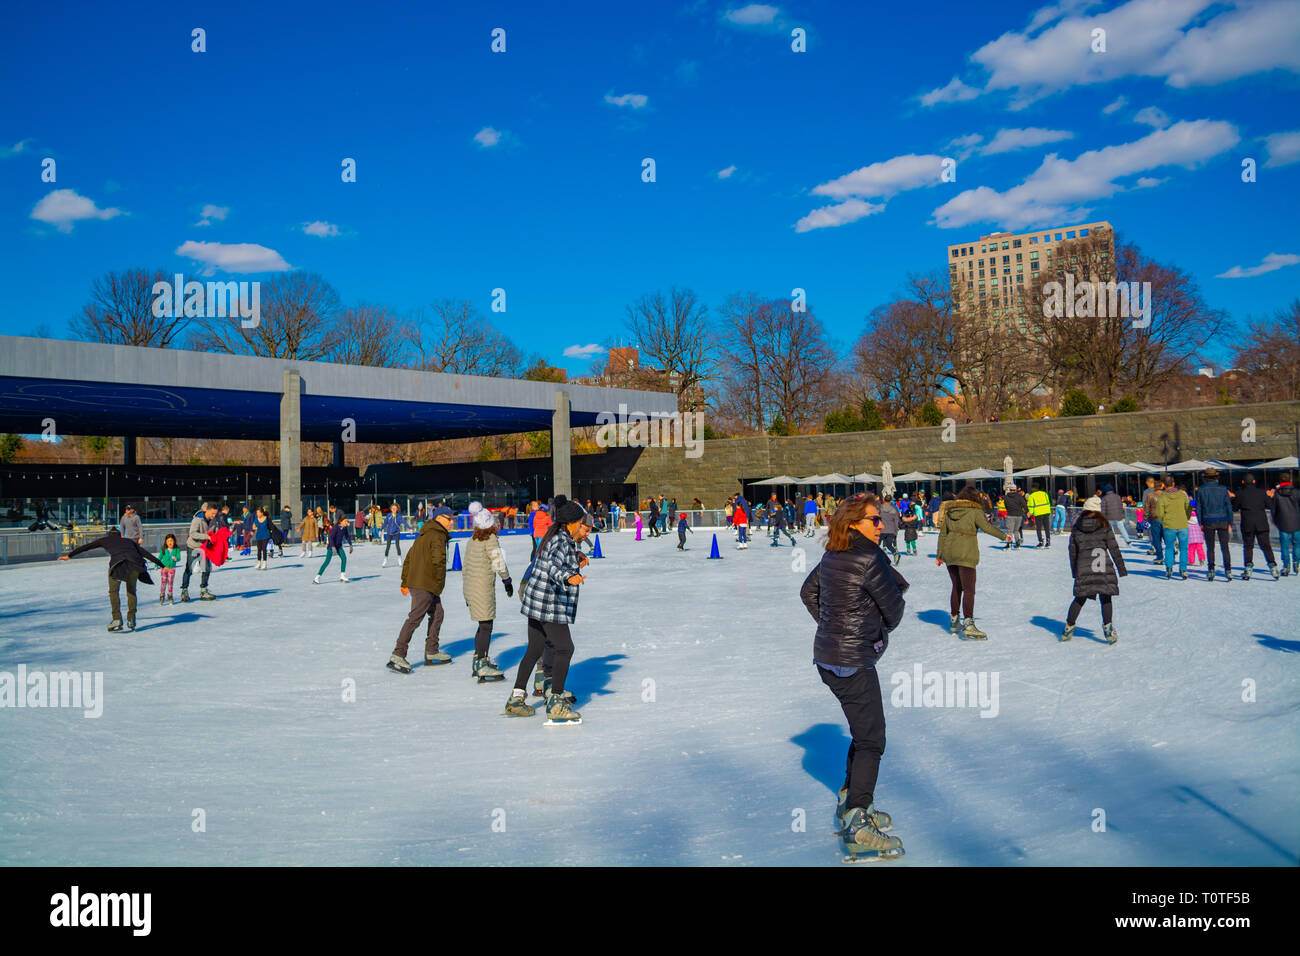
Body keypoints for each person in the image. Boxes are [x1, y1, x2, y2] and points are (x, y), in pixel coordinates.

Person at [798, 493, 907, 861]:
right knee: (873, 739)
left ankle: (851, 800)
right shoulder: (870, 557)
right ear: (854, 523)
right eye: (875, 520)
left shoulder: (833, 553)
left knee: (864, 732)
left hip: (828, 659)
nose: (881, 525)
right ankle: (859, 821)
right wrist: (895, 593)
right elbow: (893, 613)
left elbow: (807, 593)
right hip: (852, 661)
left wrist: (831, 627)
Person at [504, 497, 590, 723]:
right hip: (548, 605)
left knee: (534, 649)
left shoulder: (557, 537)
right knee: (565, 648)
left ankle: (516, 698)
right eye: (582, 524)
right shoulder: (561, 541)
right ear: (571, 523)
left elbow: (553, 561)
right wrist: (568, 576)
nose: (584, 529)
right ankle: (556, 702)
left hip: (536, 602)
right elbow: (553, 566)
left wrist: (575, 561)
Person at [936, 486, 1014, 640]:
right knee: (969, 589)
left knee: (956, 587)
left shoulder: (950, 511)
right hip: (966, 552)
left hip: (950, 552)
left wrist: (939, 555)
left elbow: (943, 534)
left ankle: (954, 621)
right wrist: (1004, 536)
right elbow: (986, 527)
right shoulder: (975, 511)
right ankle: (969, 623)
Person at [388, 505, 455, 672]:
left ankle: (431, 650)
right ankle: (398, 653)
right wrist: (438, 586)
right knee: (415, 617)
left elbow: (408, 559)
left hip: (419, 582)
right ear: (439, 519)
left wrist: (405, 582)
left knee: (438, 613)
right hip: (426, 584)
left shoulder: (423, 535)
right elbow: (438, 562)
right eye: (449, 519)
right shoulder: (437, 535)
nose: (452, 522)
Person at [59, 527, 165, 631]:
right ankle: (131, 617)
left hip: (117, 564)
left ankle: (117, 619)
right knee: (131, 591)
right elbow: (145, 553)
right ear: (120, 536)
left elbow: (87, 546)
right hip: (134, 564)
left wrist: (69, 555)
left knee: (114, 591)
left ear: (109, 535)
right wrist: (163, 565)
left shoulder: (105, 540)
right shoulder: (128, 541)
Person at [1062, 496, 1127, 643]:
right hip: (1102, 565)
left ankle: (1068, 627)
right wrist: (1121, 568)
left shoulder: (1077, 526)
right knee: (1106, 597)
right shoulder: (1104, 525)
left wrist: (1075, 571)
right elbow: (1114, 547)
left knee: (1080, 597)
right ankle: (1108, 629)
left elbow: (1072, 551)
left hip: (1084, 567)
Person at [462, 502, 513, 682]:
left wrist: (465, 591)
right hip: (482, 588)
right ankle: (481, 662)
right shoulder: (490, 539)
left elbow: (465, 567)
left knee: (482, 624)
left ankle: (479, 660)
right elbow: (498, 562)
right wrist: (507, 580)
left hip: (470, 587)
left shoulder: (473, 540)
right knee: (486, 626)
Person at [1234, 473, 1280, 580]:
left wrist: (1233, 498)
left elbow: (1235, 508)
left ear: (1243, 482)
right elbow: (1270, 505)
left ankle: (1248, 568)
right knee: (1266, 546)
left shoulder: (1240, 493)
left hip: (1247, 523)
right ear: (1254, 482)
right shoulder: (1261, 492)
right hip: (1261, 523)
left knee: (1248, 546)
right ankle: (1273, 567)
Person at [1195, 468, 1234, 581]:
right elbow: (1228, 507)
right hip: (1223, 519)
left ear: (1205, 477)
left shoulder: (1201, 490)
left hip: (1208, 520)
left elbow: (1199, 508)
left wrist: (1200, 522)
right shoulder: (1223, 489)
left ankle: (1211, 569)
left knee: (1210, 547)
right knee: (1225, 546)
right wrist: (1230, 521)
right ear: (1216, 477)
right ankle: (1228, 569)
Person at [180, 503, 220, 602]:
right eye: (212, 513)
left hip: (205, 548)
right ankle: (184, 590)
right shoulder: (197, 519)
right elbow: (192, 533)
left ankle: (203, 591)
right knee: (189, 569)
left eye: (215, 514)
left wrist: (220, 537)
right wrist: (207, 537)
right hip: (193, 547)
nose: (214, 516)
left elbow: (216, 532)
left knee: (206, 568)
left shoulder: (214, 520)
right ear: (207, 510)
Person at [1154, 475, 1192, 580]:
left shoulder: (1162, 497)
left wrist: (1164, 522)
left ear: (1164, 485)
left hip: (1169, 526)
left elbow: (1160, 512)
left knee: (1169, 547)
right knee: (1184, 548)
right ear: (1173, 483)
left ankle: (1169, 568)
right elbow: (1188, 508)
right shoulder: (1182, 495)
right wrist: (1186, 518)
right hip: (1182, 525)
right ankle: (1183, 569)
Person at [1270, 472, 1300, 576]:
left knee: (1285, 546)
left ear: (1280, 481)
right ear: (1290, 480)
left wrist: (1275, 521)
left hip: (1283, 522)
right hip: (1297, 522)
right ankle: (1297, 563)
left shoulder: (1277, 494)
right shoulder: (1297, 492)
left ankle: (1286, 566)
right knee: (1297, 544)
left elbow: (1273, 510)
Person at [313, 516, 351, 584]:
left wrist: (350, 545)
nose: (346, 522)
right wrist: (333, 547)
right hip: (331, 546)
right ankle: (317, 577)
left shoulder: (344, 528)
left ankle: (342, 575)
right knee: (327, 561)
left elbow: (347, 536)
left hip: (339, 547)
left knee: (344, 558)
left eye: (347, 521)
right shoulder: (336, 528)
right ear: (341, 521)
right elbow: (331, 538)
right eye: (345, 521)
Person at [1141, 478, 1164, 563]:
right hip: (1165, 519)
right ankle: (1170, 555)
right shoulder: (1166, 495)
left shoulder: (1150, 495)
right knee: (1167, 538)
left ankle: (1160, 556)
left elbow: (1146, 508)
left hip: (1154, 518)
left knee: (1156, 538)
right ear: (1162, 486)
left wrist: (1145, 519)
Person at [157, 533, 181, 605]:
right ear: (166, 542)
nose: (170, 542)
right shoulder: (163, 549)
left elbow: (179, 558)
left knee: (170, 583)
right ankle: (162, 596)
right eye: (168, 541)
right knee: (163, 583)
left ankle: (170, 596)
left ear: (174, 541)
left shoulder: (177, 549)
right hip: (164, 569)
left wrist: (176, 559)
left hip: (172, 569)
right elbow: (159, 558)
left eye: (171, 541)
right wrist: (156, 565)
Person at [1026, 483, 1052, 548]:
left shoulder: (1032, 496)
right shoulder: (1045, 493)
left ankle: (1041, 542)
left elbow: (1031, 506)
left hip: (1038, 513)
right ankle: (1048, 542)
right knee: (1047, 528)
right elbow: (1048, 502)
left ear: (1033, 488)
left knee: (1039, 528)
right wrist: (1049, 511)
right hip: (1046, 512)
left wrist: (1030, 513)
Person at [878, 495, 901, 563]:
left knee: (877, 545)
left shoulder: (880, 507)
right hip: (891, 529)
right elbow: (896, 520)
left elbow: (876, 517)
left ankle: (880, 559)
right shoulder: (894, 508)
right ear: (891, 501)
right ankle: (895, 553)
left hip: (881, 529)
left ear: (884, 500)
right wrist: (896, 530)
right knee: (889, 544)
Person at [1004, 485, 1028, 549]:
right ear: (1015, 489)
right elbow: (1024, 505)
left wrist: (1009, 510)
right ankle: (1017, 543)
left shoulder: (1006, 497)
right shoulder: (1019, 496)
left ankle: (1009, 544)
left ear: (1010, 489)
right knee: (1016, 530)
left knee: (1010, 530)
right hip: (1019, 515)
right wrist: (1027, 511)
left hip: (1010, 515)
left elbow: (1006, 505)